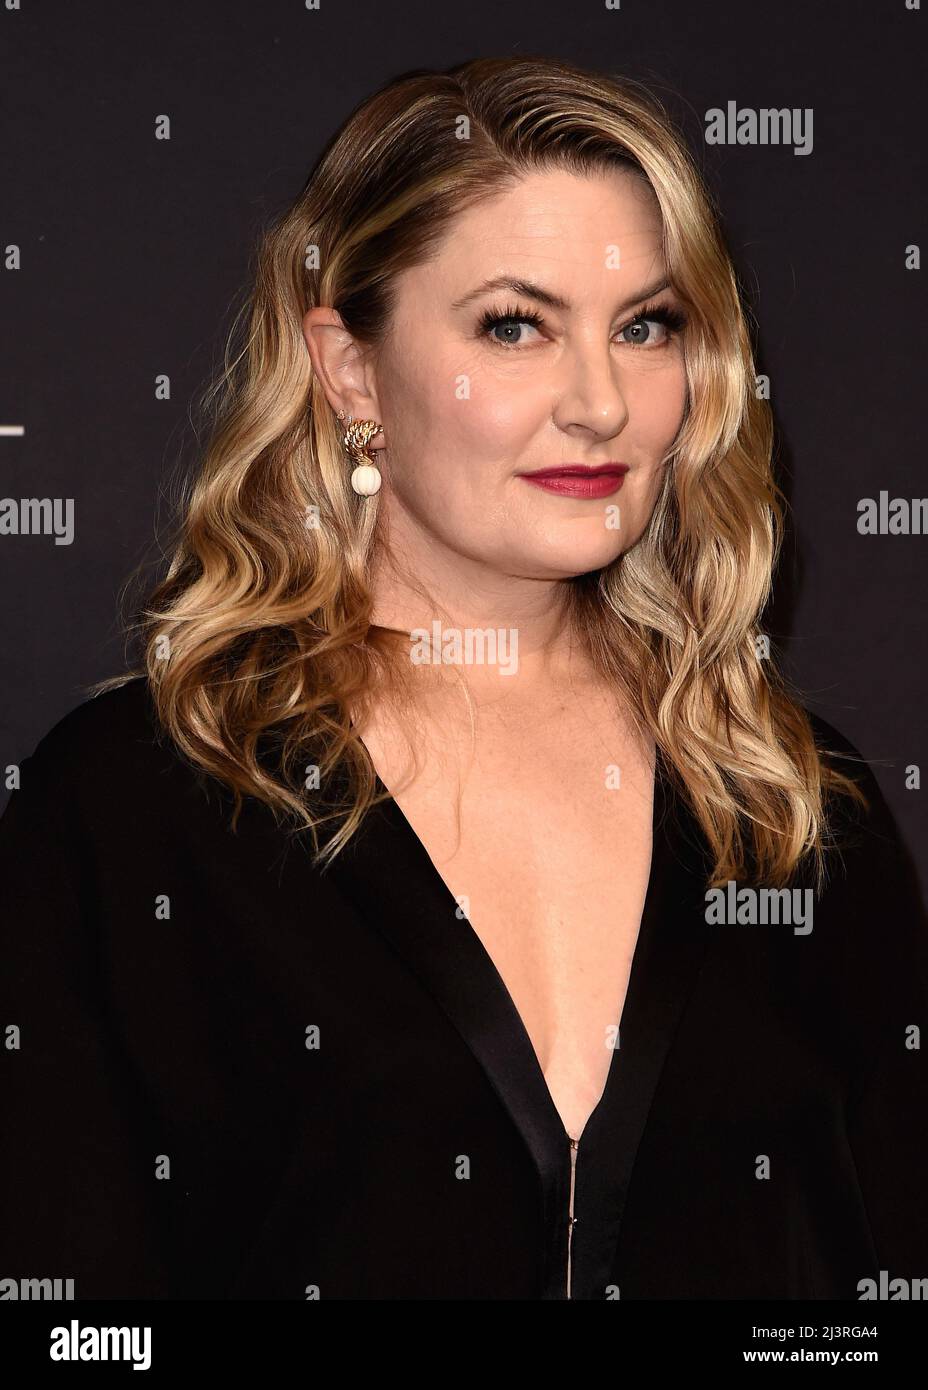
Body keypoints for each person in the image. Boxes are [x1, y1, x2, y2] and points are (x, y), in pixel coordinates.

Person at [2, 55, 926, 1301]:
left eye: (645, 326)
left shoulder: (794, 805)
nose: (600, 404)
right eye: (513, 325)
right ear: (349, 370)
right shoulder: (132, 808)